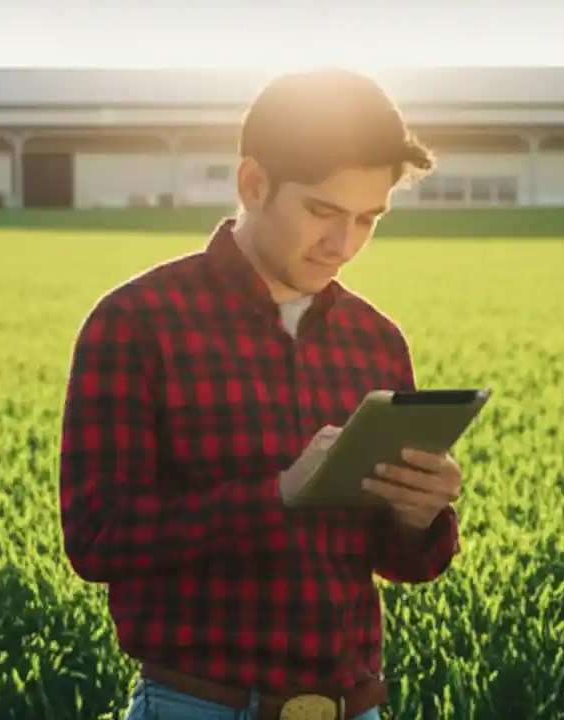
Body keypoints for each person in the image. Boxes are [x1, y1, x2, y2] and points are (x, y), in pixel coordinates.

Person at [58, 67, 463, 720]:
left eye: (368, 219)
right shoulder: (136, 324)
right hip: (198, 706)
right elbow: (99, 536)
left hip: (353, 708)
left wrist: (419, 518)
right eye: (322, 212)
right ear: (253, 184)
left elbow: (397, 561)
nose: (345, 244)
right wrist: (277, 494)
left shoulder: (376, 341)